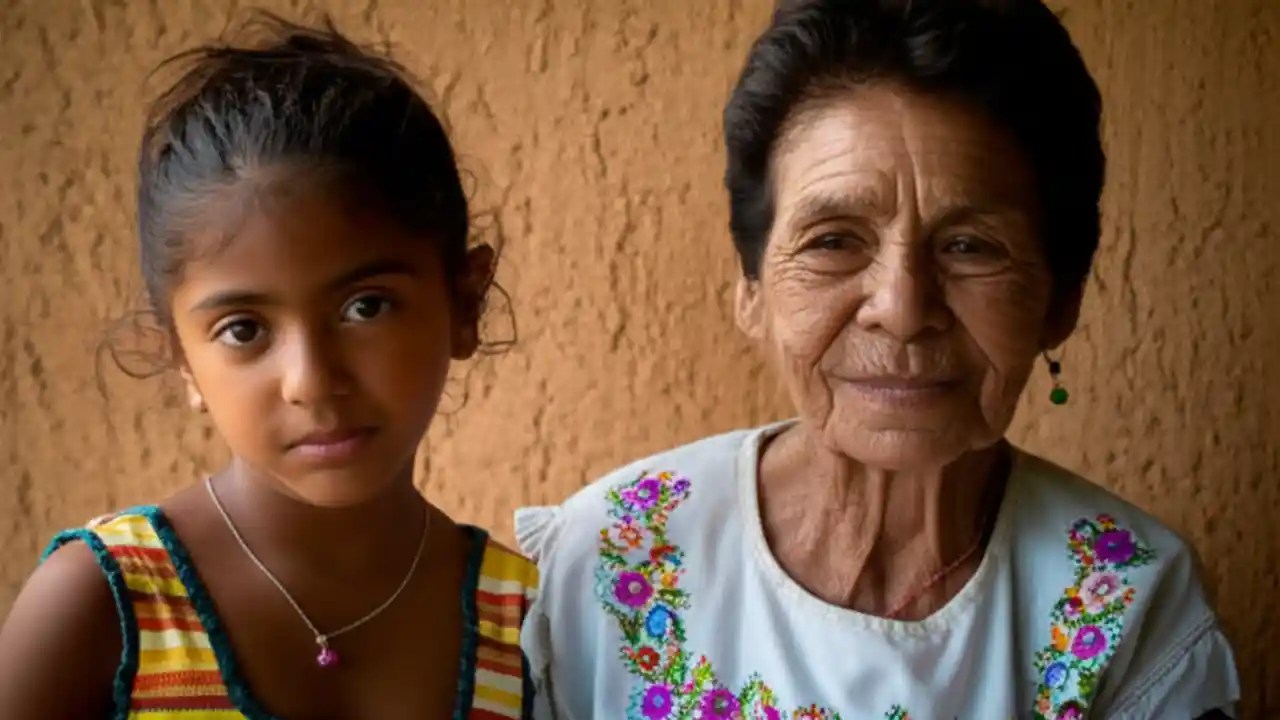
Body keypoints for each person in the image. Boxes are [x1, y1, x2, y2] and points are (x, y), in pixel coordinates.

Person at [515, 1, 1240, 718]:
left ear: (1059, 302)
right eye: (834, 240)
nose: (900, 305)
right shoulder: (608, 560)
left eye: (971, 246)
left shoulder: (1131, 603)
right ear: (753, 290)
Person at [0, 15, 535, 719]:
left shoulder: (525, 620)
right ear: (180, 358)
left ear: (463, 303)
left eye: (365, 307)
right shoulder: (103, 607)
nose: (310, 380)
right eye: (243, 329)